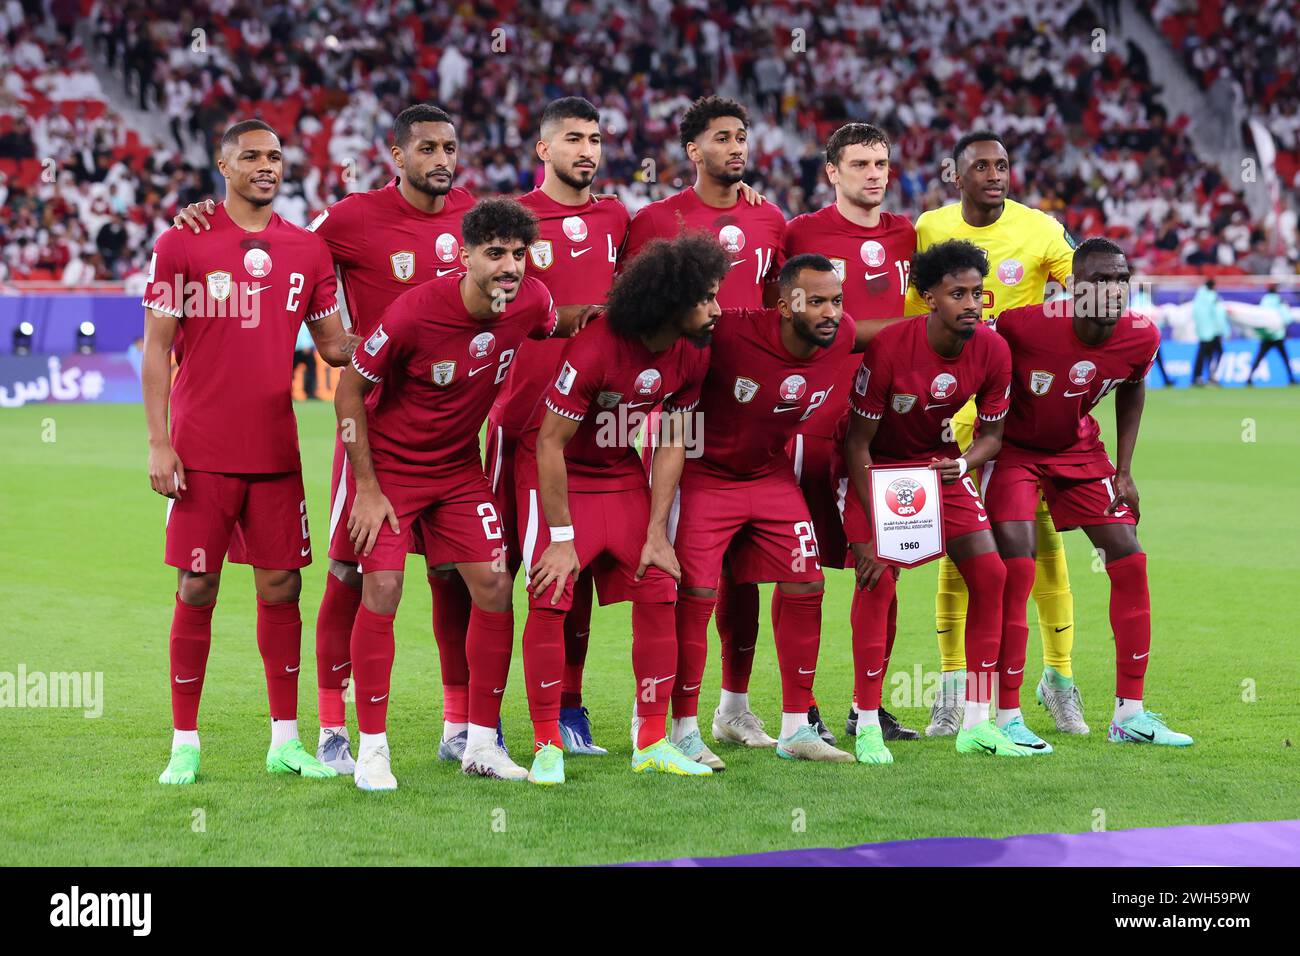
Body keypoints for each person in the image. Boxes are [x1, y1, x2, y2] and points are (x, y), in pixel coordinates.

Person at [173, 104, 479, 773]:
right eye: (426, 146)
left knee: (458, 578)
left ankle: (461, 726)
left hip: (454, 436)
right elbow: (272, 243)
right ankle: (334, 728)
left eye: (450, 146)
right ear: (394, 155)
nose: (441, 158)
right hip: (371, 433)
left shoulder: (475, 218)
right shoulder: (345, 220)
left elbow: (525, 268)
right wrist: (206, 215)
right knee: (347, 573)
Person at [332, 198, 585, 790]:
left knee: (496, 585)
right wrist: (366, 488)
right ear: (464, 255)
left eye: (519, 254)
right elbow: (349, 395)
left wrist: (618, 314)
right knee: (384, 585)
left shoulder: (532, 301)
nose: (509, 266)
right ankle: (372, 750)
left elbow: (560, 320)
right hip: (391, 469)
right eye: (495, 254)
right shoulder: (413, 312)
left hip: (457, 471)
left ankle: (480, 744)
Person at [143, 119, 355, 786]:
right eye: (253, 157)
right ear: (223, 164)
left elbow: (337, 348)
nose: (268, 166)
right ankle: (184, 742)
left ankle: (285, 741)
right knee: (197, 585)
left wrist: (423, 322)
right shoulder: (182, 240)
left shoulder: (306, 249)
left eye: (276, 157)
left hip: (275, 451)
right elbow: (155, 348)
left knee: (282, 586)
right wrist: (159, 441)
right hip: (200, 450)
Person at [668, 253, 897, 766]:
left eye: (836, 301)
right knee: (697, 593)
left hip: (767, 474)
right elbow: (666, 349)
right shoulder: (730, 332)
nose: (830, 312)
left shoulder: (839, 336)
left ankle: (796, 729)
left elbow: (887, 335)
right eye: (815, 301)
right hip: (704, 474)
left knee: (806, 582)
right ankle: (683, 729)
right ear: (784, 305)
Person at [519, 233, 725, 783]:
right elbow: (549, 444)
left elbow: (675, 439)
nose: (716, 309)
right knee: (550, 591)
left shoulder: (692, 355)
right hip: (564, 482)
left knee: (660, 584)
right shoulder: (595, 347)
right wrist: (561, 538)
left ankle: (652, 740)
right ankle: (546, 744)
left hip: (621, 480)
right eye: (704, 298)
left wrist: (658, 529)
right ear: (667, 302)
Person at [621, 95, 790, 746]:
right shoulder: (656, 220)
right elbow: (631, 310)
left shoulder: (771, 221)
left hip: (748, 414)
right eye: (722, 137)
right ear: (693, 151)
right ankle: (661, 721)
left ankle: (733, 705)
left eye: (742, 135)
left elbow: (775, 315)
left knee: (743, 568)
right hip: (677, 412)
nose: (737, 146)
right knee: (672, 563)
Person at [905, 131, 1085, 737]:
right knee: (958, 555)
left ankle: (1058, 678)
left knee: (1042, 548)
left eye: (1002, 164)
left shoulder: (1039, 230)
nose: (994, 173)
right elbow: (911, 314)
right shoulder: (929, 228)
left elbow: (1088, 280)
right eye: (980, 165)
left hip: (1020, 416)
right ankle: (955, 687)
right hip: (946, 414)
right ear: (956, 175)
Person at [984, 237, 1192, 748]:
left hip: (1078, 451)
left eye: (1121, 279)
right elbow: (979, 365)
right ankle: (1007, 716)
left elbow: (1134, 385)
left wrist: (1124, 471)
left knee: (1128, 556)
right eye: (1100, 280)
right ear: (1074, 286)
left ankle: (1130, 715)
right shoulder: (1023, 326)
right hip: (1013, 450)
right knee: (1018, 568)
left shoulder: (1141, 335)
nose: (1113, 289)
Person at [486, 96, 628, 756]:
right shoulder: (514, 222)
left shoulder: (616, 218)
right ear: (543, 150)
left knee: (572, 578)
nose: (588, 150)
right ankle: (476, 717)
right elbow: (489, 302)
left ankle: (569, 709)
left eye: (595, 138)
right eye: (573, 138)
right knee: (497, 573)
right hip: (520, 422)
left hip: (596, 430)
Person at [844, 239, 1019, 762]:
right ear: (928, 298)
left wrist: (963, 464)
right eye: (958, 293)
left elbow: (993, 435)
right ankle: (868, 721)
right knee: (878, 580)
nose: (972, 303)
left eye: (978, 293)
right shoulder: (892, 347)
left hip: (941, 467)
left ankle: (978, 722)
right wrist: (872, 526)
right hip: (878, 467)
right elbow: (856, 443)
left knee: (992, 575)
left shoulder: (993, 349)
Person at [781, 121, 920, 744]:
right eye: (860, 163)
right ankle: (798, 707)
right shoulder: (800, 234)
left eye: (882, 163)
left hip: (884, 432)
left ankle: (871, 707)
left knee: (885, 572)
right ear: (831, 172)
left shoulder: (905, 234)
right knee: (797, 571)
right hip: (810, 425)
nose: (874, 173)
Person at [1246, 285, 1295, 386]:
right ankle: (1291, 379)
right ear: (1276, 291)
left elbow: (1258, 317)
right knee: (1285, 359)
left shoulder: (1263, 301)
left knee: (1259, 358)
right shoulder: (1279, 301)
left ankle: (1249, 378)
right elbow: (1287, 317)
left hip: (1266, 336)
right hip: (1278, 336)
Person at [1191, 278, 1226, 386]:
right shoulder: (1213, 297)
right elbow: (1218, 314)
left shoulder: (1198, 297)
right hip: (1213, 331)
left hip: (1202, 332)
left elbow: (1195, 315)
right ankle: (1212, 376)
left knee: (1202, 354)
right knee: (1218, 352)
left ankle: (1197, 377)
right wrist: (1222, 330)